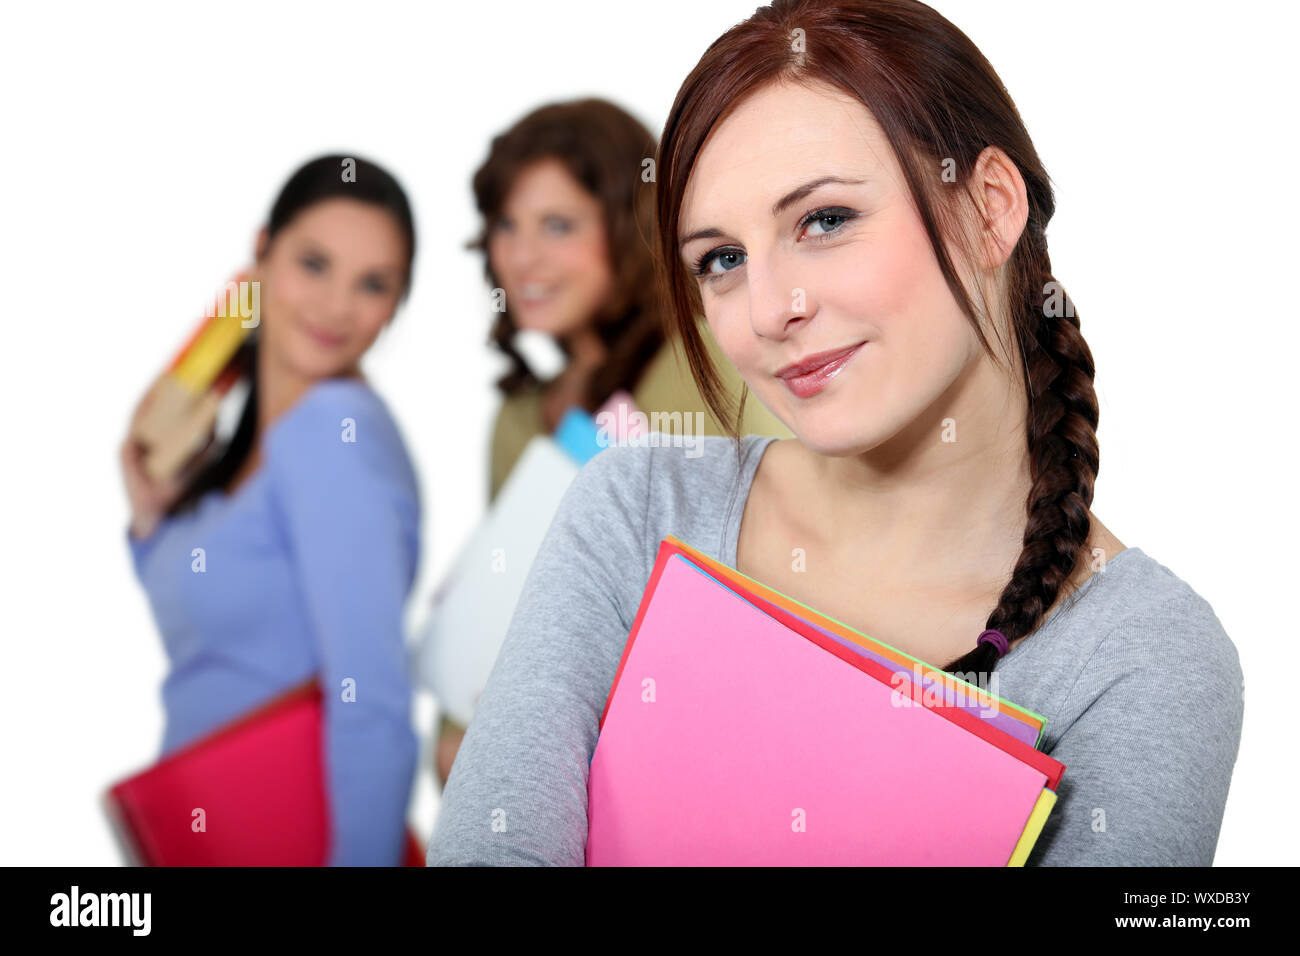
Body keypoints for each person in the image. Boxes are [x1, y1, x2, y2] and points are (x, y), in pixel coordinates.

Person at [427, 0, 1245, 867]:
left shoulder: (1144, 659)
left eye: (824, 220)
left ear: (989, 208)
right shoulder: (633, 506)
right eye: (723, 260)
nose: (772, 310)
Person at [429, 97, 792, 787]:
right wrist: (460, 737)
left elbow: (773, 567)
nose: (523, 255)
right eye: (506, 224)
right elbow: (507, 598)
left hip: (708, 740)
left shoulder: (702, 362)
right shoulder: (517, 419)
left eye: (557, 224)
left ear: (627, 230)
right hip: (567, 750)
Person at [122, 154, 422, 866]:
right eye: (313, 264)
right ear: (260, 254)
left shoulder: (332, 433)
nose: (335, 306)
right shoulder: (256, 443)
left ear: (395, 307)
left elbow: (371, 701)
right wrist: (149, 514)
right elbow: (213, 634)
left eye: (373, 284)